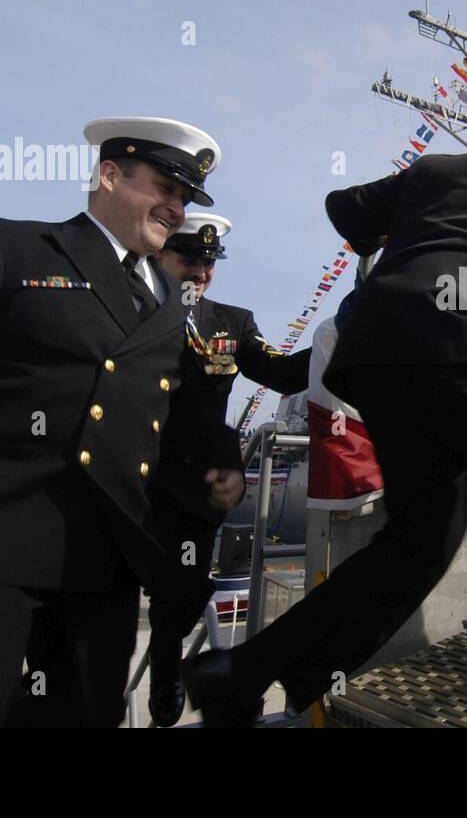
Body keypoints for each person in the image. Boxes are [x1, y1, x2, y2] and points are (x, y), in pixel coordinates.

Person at [184, 90, 467, 727]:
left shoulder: (433, 171)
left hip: (376, 359)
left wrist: (394, 232)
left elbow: (343, 206)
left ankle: (240, 671)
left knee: (418, 543)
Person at [0, 116, 246, 726]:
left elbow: (189, 409)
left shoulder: (171, 305)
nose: (175, 207)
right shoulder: (13, 248)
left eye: (185, 198)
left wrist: (223, 462)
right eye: (164, 187)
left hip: (101, 566)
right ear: (108, 175)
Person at [144, 212, 312, 727]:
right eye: (189, 259)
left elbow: (282, 374)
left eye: (208, 262)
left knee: (188, 588)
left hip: (192, 483)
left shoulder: (231, 323)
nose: (200, 271)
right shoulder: (129, 310)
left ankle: (166, 668)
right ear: (159, 255)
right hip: (124, 473)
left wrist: (345, 338)